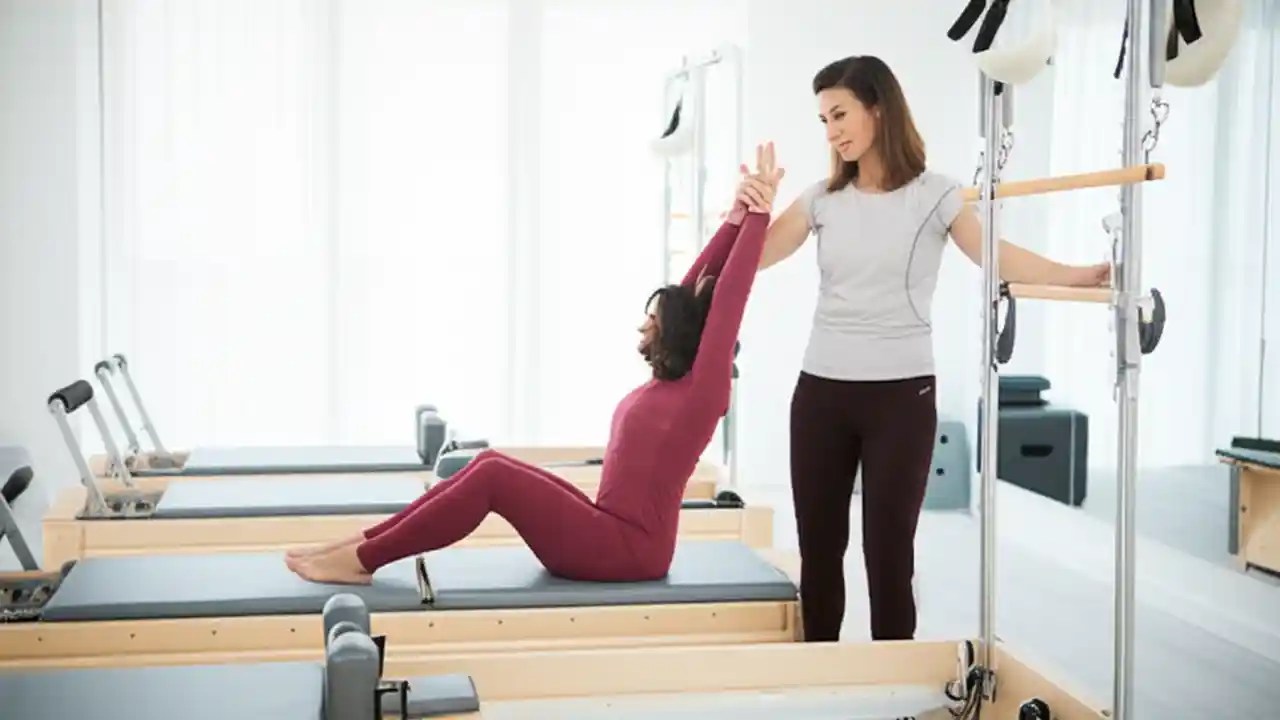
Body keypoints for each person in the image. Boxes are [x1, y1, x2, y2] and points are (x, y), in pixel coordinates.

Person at [733, 55, 1110, 643]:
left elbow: (996, 256)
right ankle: (821, 675)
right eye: (824, 120)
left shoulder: (936, 195)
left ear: (878, 108)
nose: (831, 132)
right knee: (820, 553)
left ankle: (893, 680)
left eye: (840, 114)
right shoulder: (822, 199)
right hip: (821, 395)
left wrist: (1077, 276)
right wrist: (747, 214)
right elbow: (749, 260)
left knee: (889, 556)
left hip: (900, 399)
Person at [285, 148, 787, 586]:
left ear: (677, 331)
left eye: (653, 318)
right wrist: (737, 214)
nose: (643, 323)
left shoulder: (701, 393)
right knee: (489, 463)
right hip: (609, 529)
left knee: (492, 478)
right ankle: (362, 544)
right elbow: (693, 288)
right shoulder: (668, 381)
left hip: (628, 550)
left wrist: (760, 215)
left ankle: (364, 559)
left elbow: (730, 296)